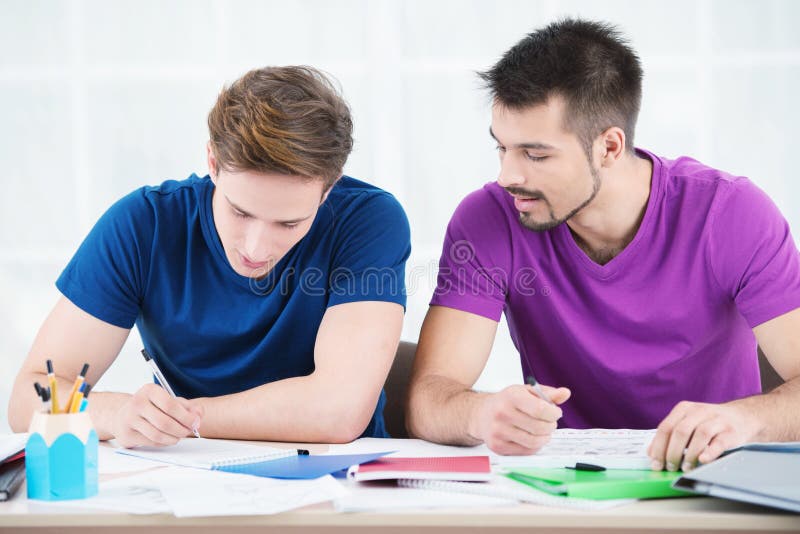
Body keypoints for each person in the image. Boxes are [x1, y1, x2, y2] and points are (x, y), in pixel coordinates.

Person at [406, 18, 800, 473]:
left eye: (535, 155)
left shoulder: (730, 214)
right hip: (565, 484)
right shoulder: (490, 218)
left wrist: (744, 421)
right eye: (503, 148)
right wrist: (480, 414)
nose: (508, 176)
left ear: (609, 147)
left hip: (710, 477)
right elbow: (427, 400)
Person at [8, 66, 411, 447]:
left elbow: (337, 412)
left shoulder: (369, 220)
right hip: (185, 480)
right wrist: (115, 414)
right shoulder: (143, 225)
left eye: (288, 224)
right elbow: (28, 400)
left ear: (328, 189)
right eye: (240, 212)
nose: (255, 249)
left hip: (340, 490)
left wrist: (178, 420)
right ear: (213, 163)